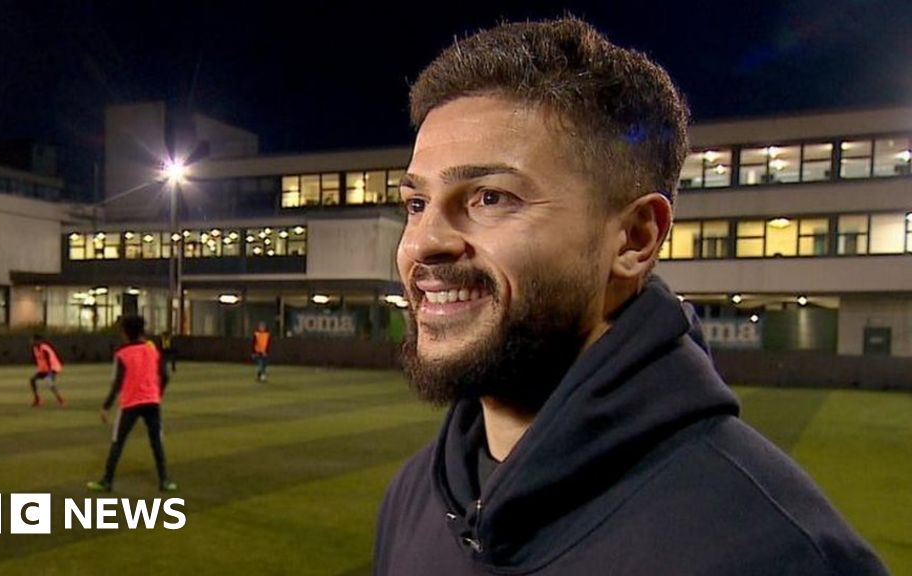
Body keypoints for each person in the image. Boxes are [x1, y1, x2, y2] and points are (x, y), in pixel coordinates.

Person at [374, 17, 887, 575]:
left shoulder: (779, 554)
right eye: (416, 204)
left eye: (490, 197)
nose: (423, 244)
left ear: (635, 238)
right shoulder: (414, 498)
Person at [88, 315, 176, 492]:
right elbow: (165, 376)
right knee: (156, 442)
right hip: (152, 402)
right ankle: (164, 481)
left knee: (118, 442)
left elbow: (118, 383)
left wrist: (106, 406)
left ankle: (107, 481)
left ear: (125, 332)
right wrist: (158, 394)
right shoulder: (152, 349)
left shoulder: (122, 353)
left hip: (130, 403)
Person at [30, 334, 65, 407]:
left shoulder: (44, 348)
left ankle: (60, 400)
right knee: (32, 380)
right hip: (43, 369)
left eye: (33, 340)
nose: (32, 341)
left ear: (38, 341)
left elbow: (49, 360)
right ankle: (37, 400)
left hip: (52, 368)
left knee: (48, 382)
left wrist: (50, 372)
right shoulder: (35, 348)